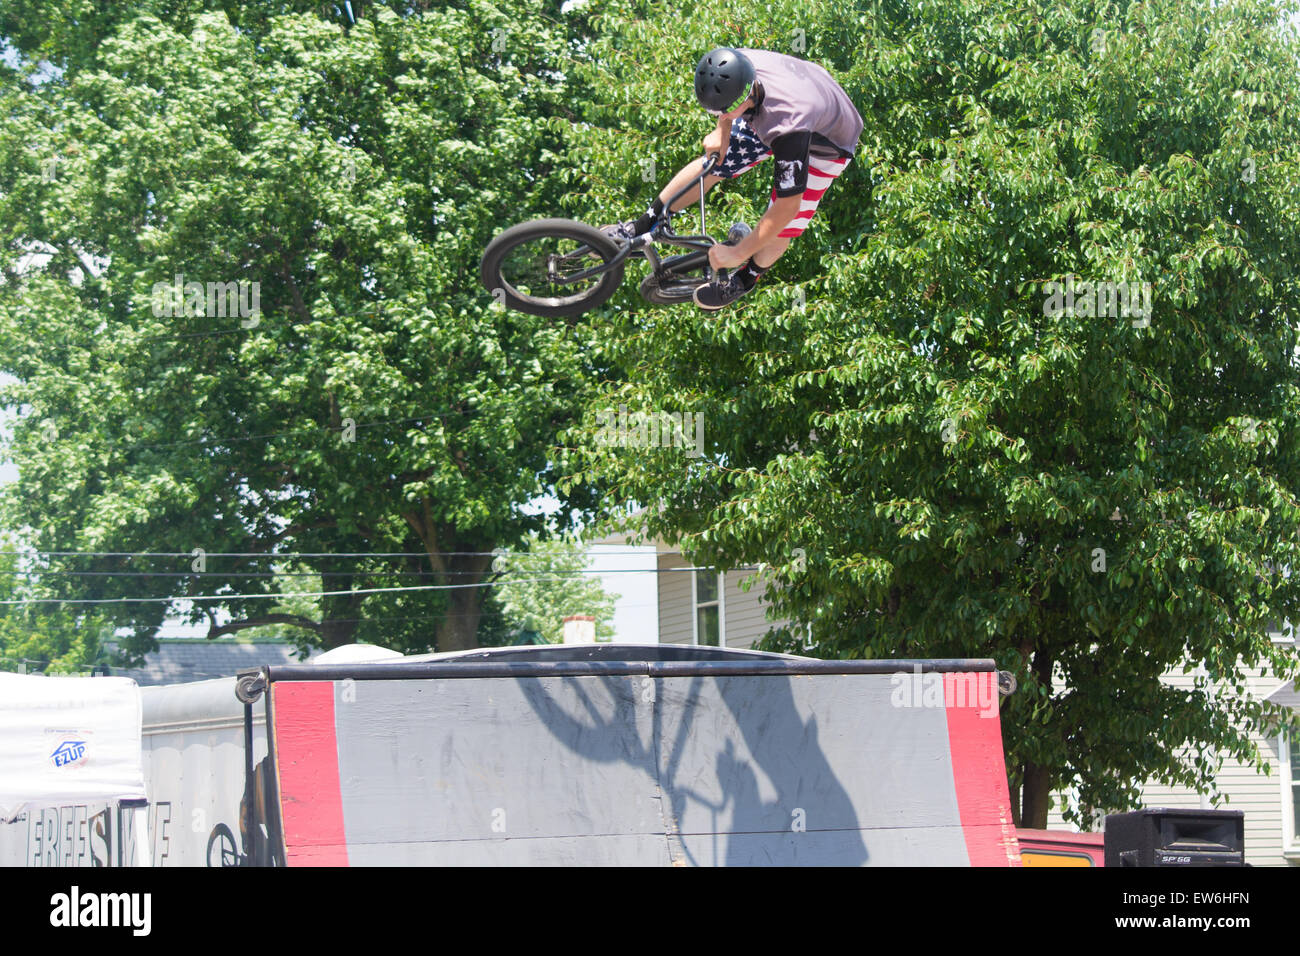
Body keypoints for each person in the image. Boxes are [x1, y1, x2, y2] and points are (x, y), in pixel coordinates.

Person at [602, 47, 863, 311]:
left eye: (725, 111)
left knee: (785, 224)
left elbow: (787, 207)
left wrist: (738, 253)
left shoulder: (787, 125)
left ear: (747, 91)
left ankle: (744, 280)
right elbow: (724, 107)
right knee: (715, 162)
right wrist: (721, 131)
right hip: (790, 92)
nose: (722, 116)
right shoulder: (735, 62)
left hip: (828, 142)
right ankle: (642, 225)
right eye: (717, 112)